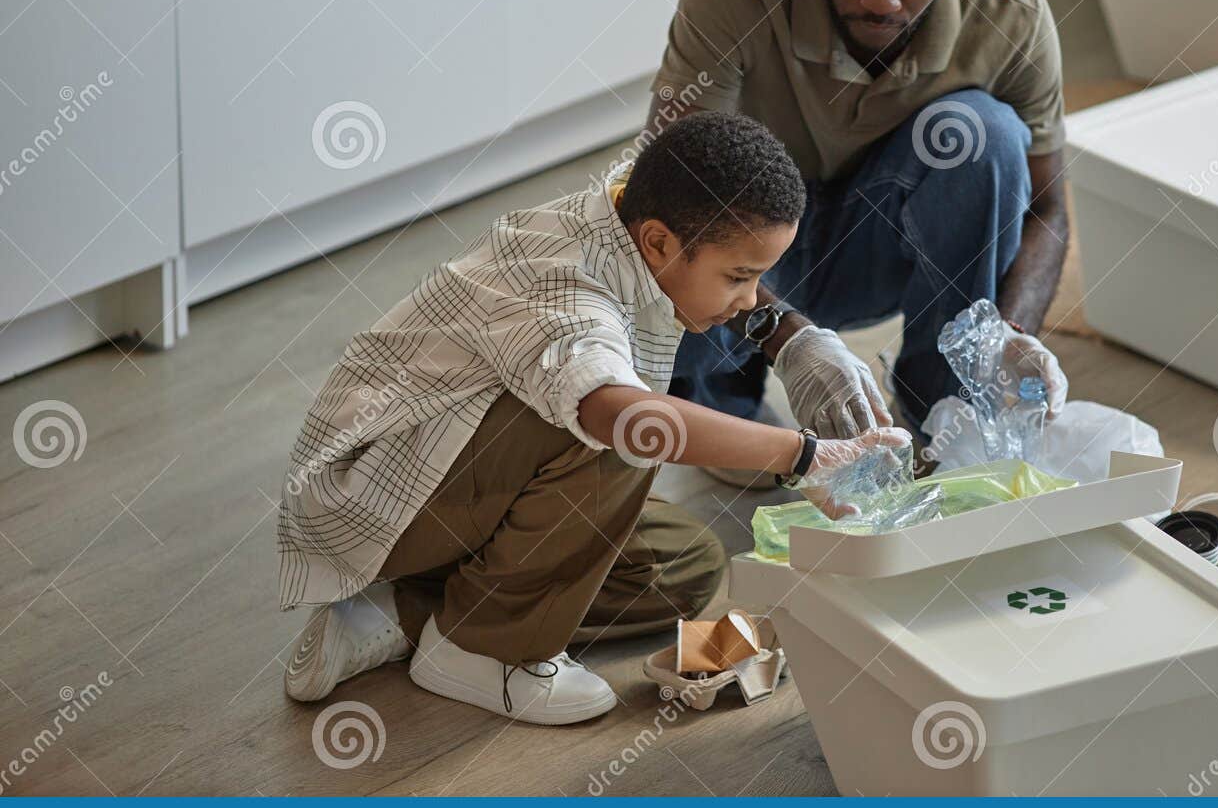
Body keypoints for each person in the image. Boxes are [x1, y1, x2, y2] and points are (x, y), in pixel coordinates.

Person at [276, 112, 908, 725]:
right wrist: (801, 455)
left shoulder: (634, 204)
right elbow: (616, 414)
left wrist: (788, 334)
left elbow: (704, 228)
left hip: (443, 477)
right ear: (659, 241)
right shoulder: (567, 285)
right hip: (367, 495)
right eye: (740, 278)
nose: (749, 299)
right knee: (627, 432)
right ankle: (480, 652)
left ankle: (396, 613)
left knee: (682, 566)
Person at [649, 0, 1069, 479]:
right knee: (731, 461)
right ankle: (723, 410)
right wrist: (788, 340)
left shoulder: (1011, 14)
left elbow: (1048, 207)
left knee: (982, 135)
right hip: (744, 255)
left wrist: (1009, 336)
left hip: (883, 246)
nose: (883, 0)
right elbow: (668, 200)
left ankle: (944, 411)